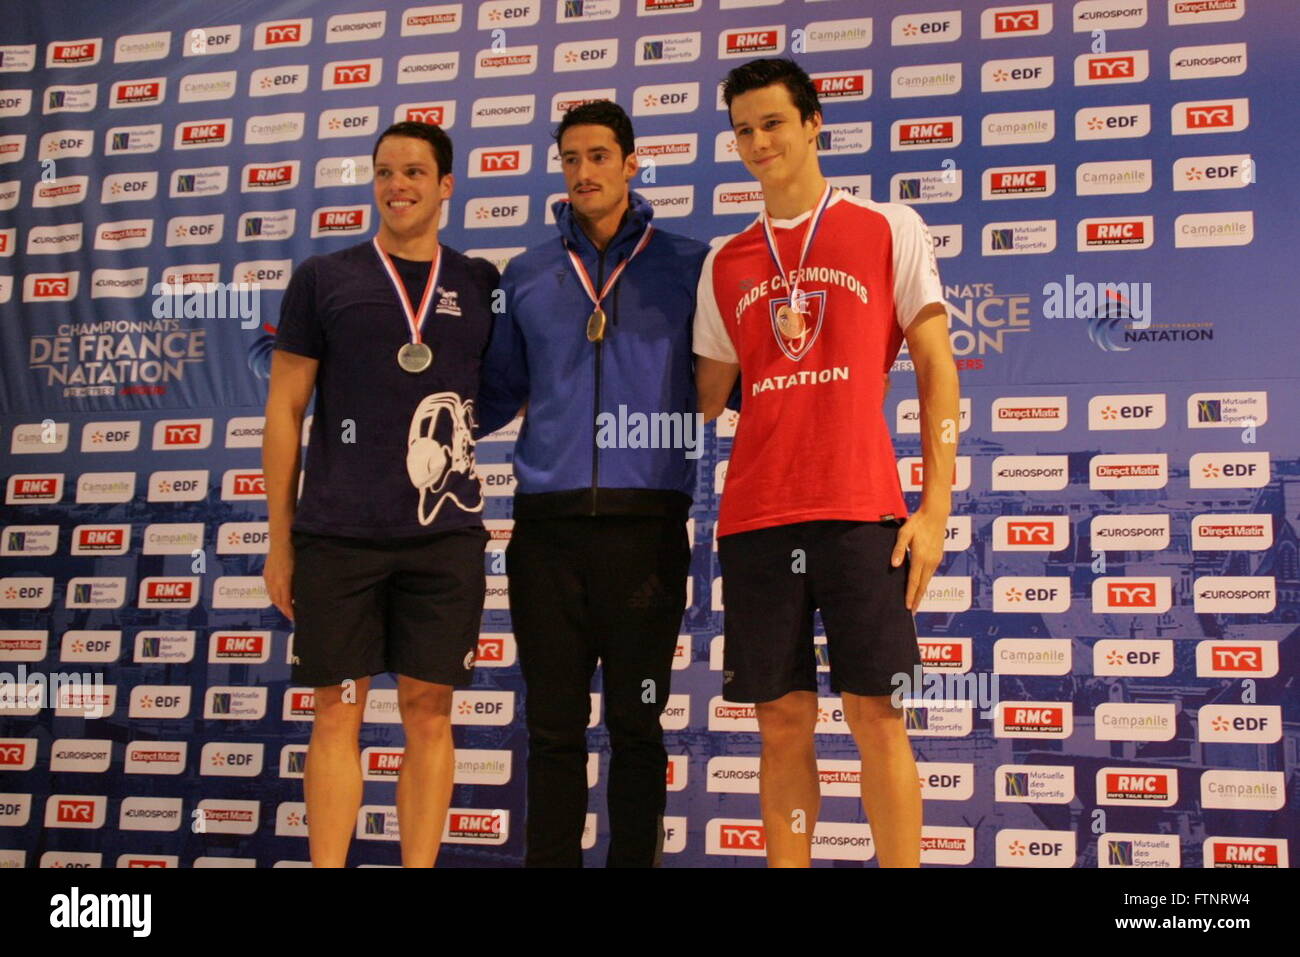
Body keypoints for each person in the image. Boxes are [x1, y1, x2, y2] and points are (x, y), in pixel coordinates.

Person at [693, 58, 960, 868]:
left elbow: (935, 362)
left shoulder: (888, 227)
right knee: (780, 721)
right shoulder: (724, 260)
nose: (757, 142)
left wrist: (937, 505)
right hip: (758, 516)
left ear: (814, 123)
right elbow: (704, 398)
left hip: (861, 510)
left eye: (773, 122)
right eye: (743, 129)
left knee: (876, 711)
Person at [476, 101, 709, 867]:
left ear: (632, 163)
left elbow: (740, 381)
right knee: (552, 728)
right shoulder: (529, 274)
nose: (584, 172)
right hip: (547, 532)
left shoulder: (690, 265)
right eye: (571, 158)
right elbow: (495, 392)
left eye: (599, 156)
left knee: (639, 726)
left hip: (647, 530)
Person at [262, 121, 498, 867]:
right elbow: (284, 411)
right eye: (385, 171)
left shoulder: (478, 282)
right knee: (338, 711)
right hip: (338, 532)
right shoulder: (324, 278)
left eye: (415, 172)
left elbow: (500, 394)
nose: (398, 185)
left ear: (446, 185)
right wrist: (280, 538)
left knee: (430, 714)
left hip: (443, 535)